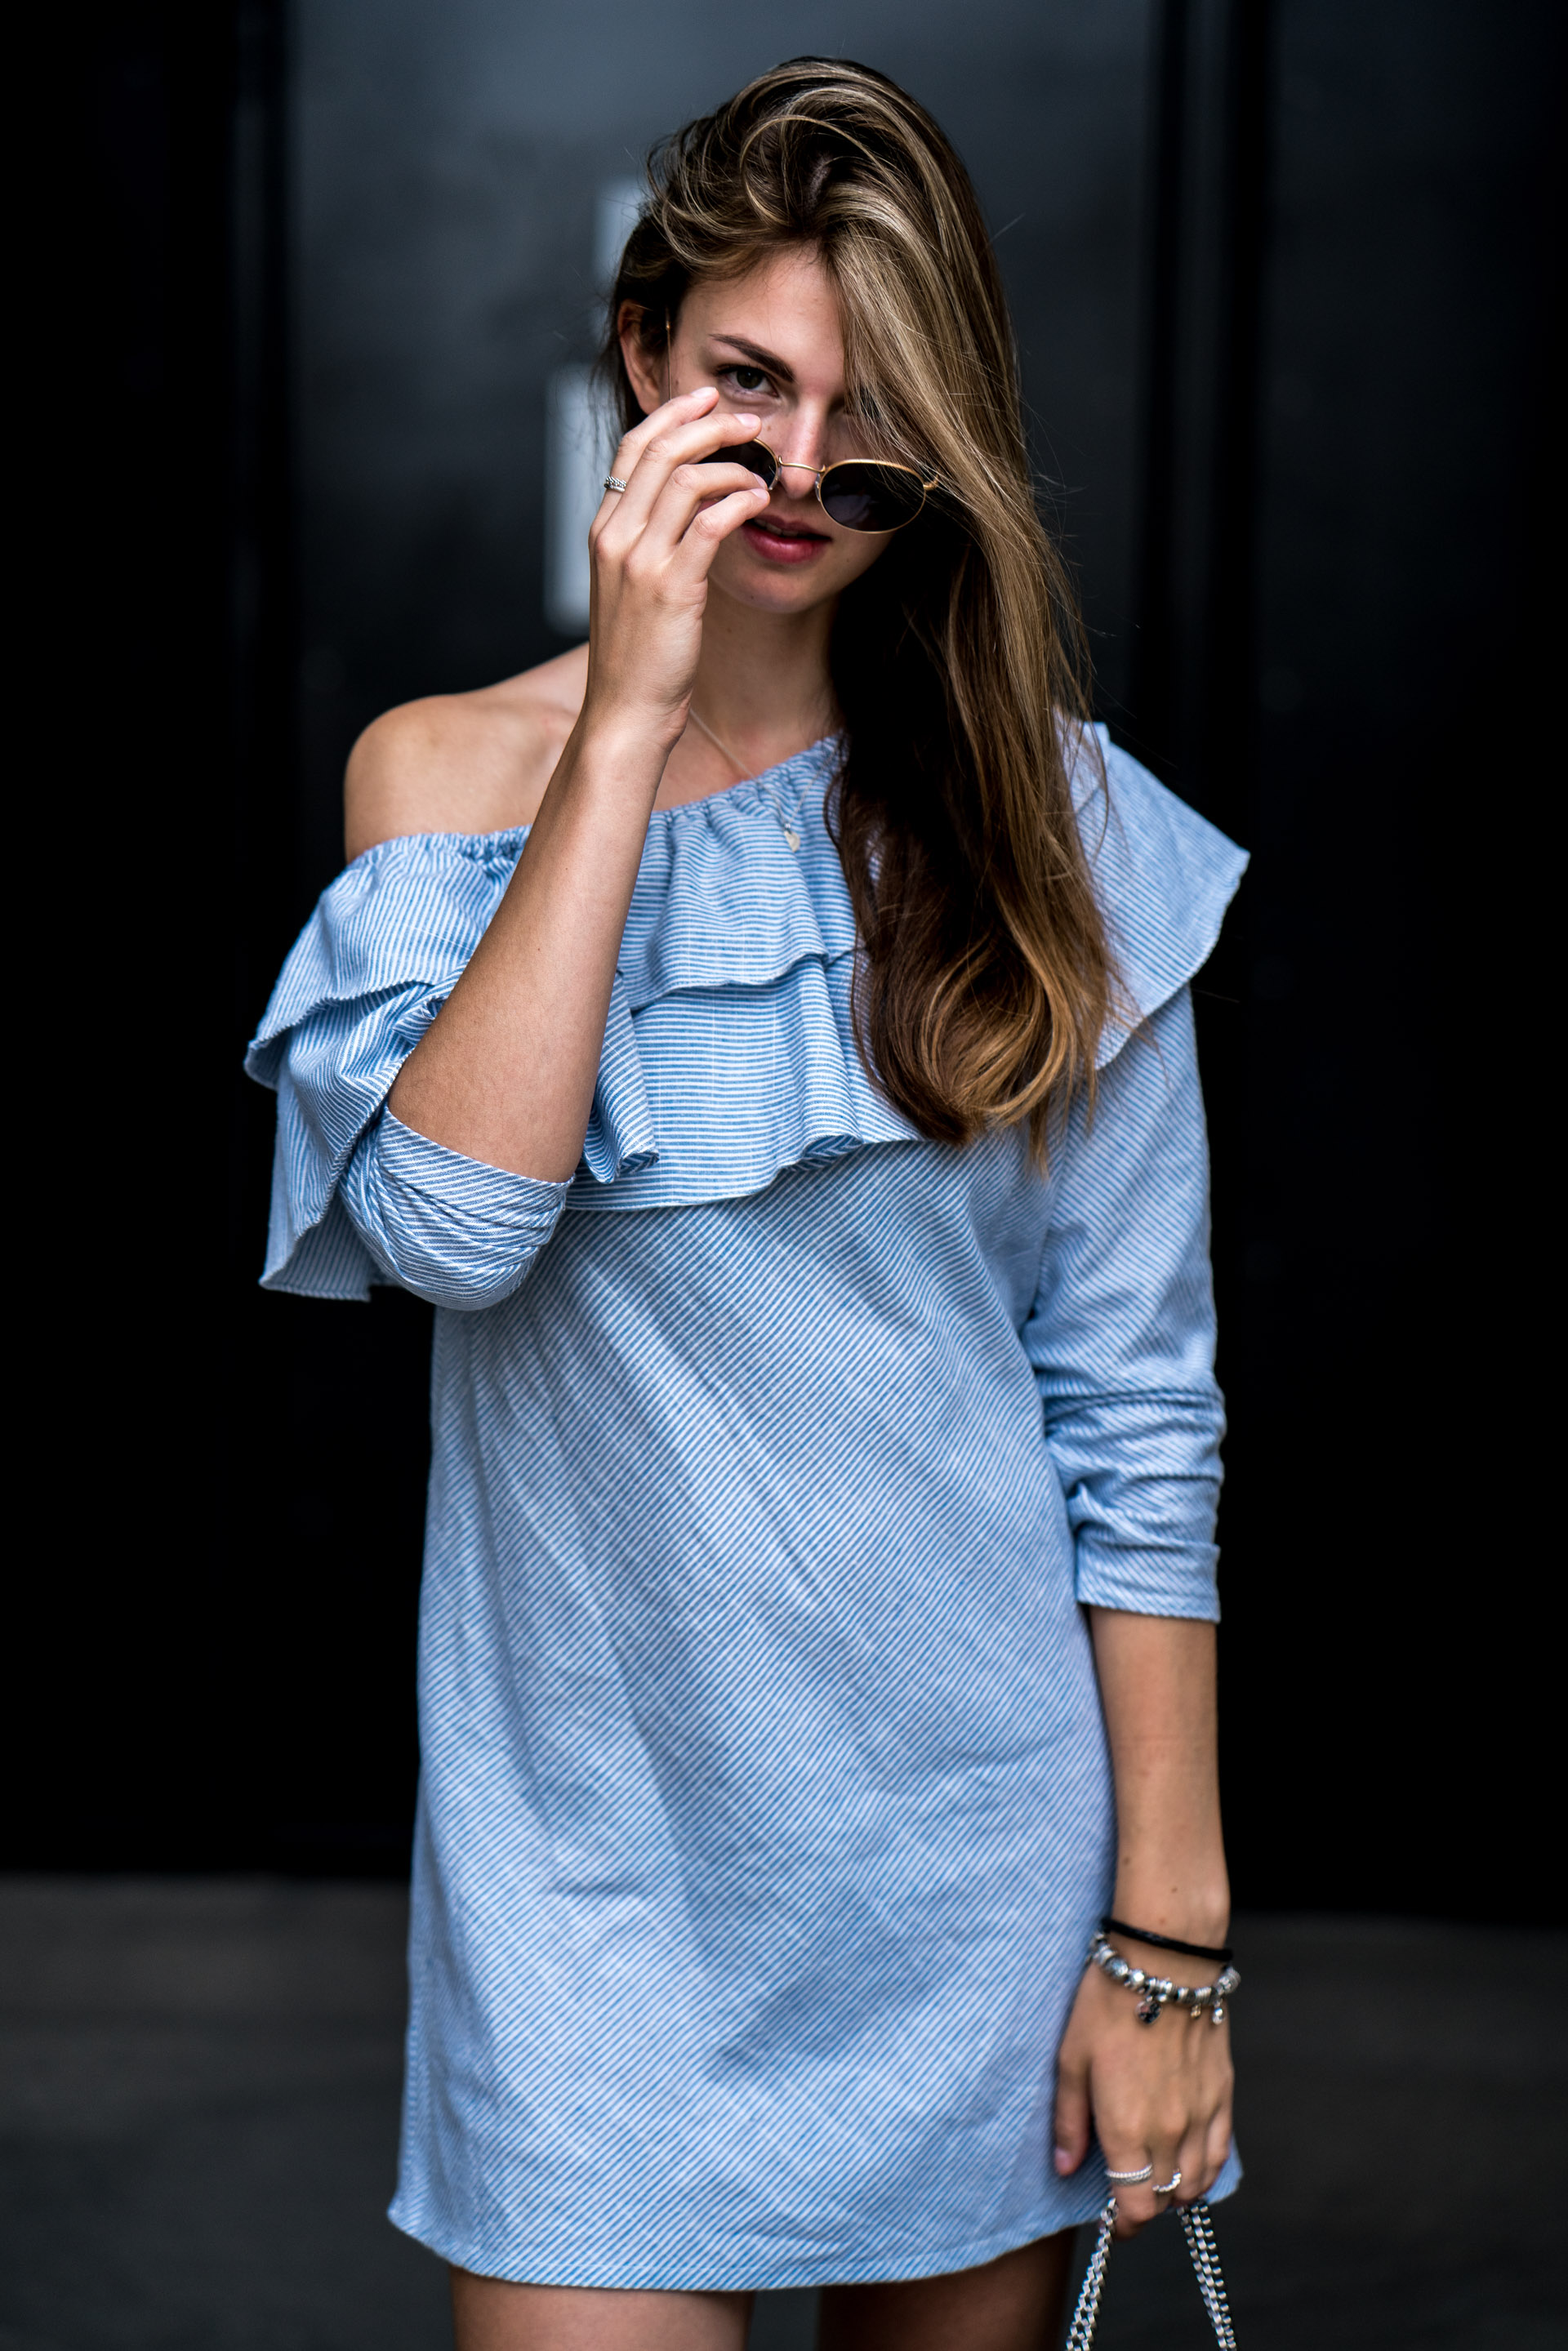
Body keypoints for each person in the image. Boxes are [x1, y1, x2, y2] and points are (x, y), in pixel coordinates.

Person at [248, 57, 1247, 2351]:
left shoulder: (1057, 833)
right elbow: (454, 1233)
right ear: (638, 357)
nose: (803, 473)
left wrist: (1166, 1945)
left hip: (971, 1876)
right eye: (747, 388)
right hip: (592, 1891)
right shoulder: (445, 778)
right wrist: (626, 731)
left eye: (875, 423)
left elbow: (1137, 1424)